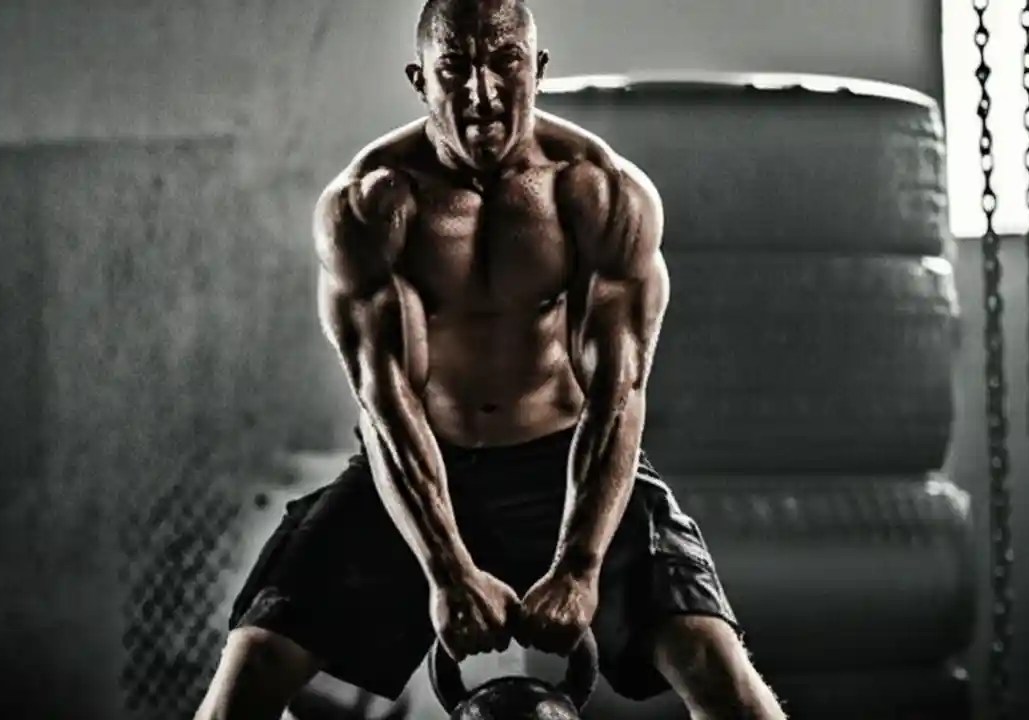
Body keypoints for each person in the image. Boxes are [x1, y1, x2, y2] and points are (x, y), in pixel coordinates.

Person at [195, 1, 785, 718]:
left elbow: (618, 397)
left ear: (536, 69)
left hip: (566, 458)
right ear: (420, 79)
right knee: (249, 672)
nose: (482, 92)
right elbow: (387, 408)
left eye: (505, 62)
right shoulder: (372, 207)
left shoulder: (598, 193)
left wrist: (580, 566)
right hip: (420, 464)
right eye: (455, 68)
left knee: (722, 678)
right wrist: (445, 568)